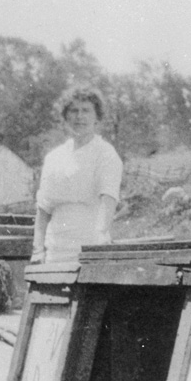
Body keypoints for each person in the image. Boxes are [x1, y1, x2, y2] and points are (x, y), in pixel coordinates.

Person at [33, 86, 124, 263]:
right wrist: (38, 250)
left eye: (86, 111)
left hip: (89, 249)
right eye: (74, 110)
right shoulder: (54, 157)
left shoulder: (105, 153)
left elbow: (108, 200)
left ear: (97, 117)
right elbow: (43, 208)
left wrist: (99, 240)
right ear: (66, 117)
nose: (79, 116)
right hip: (55, 252)